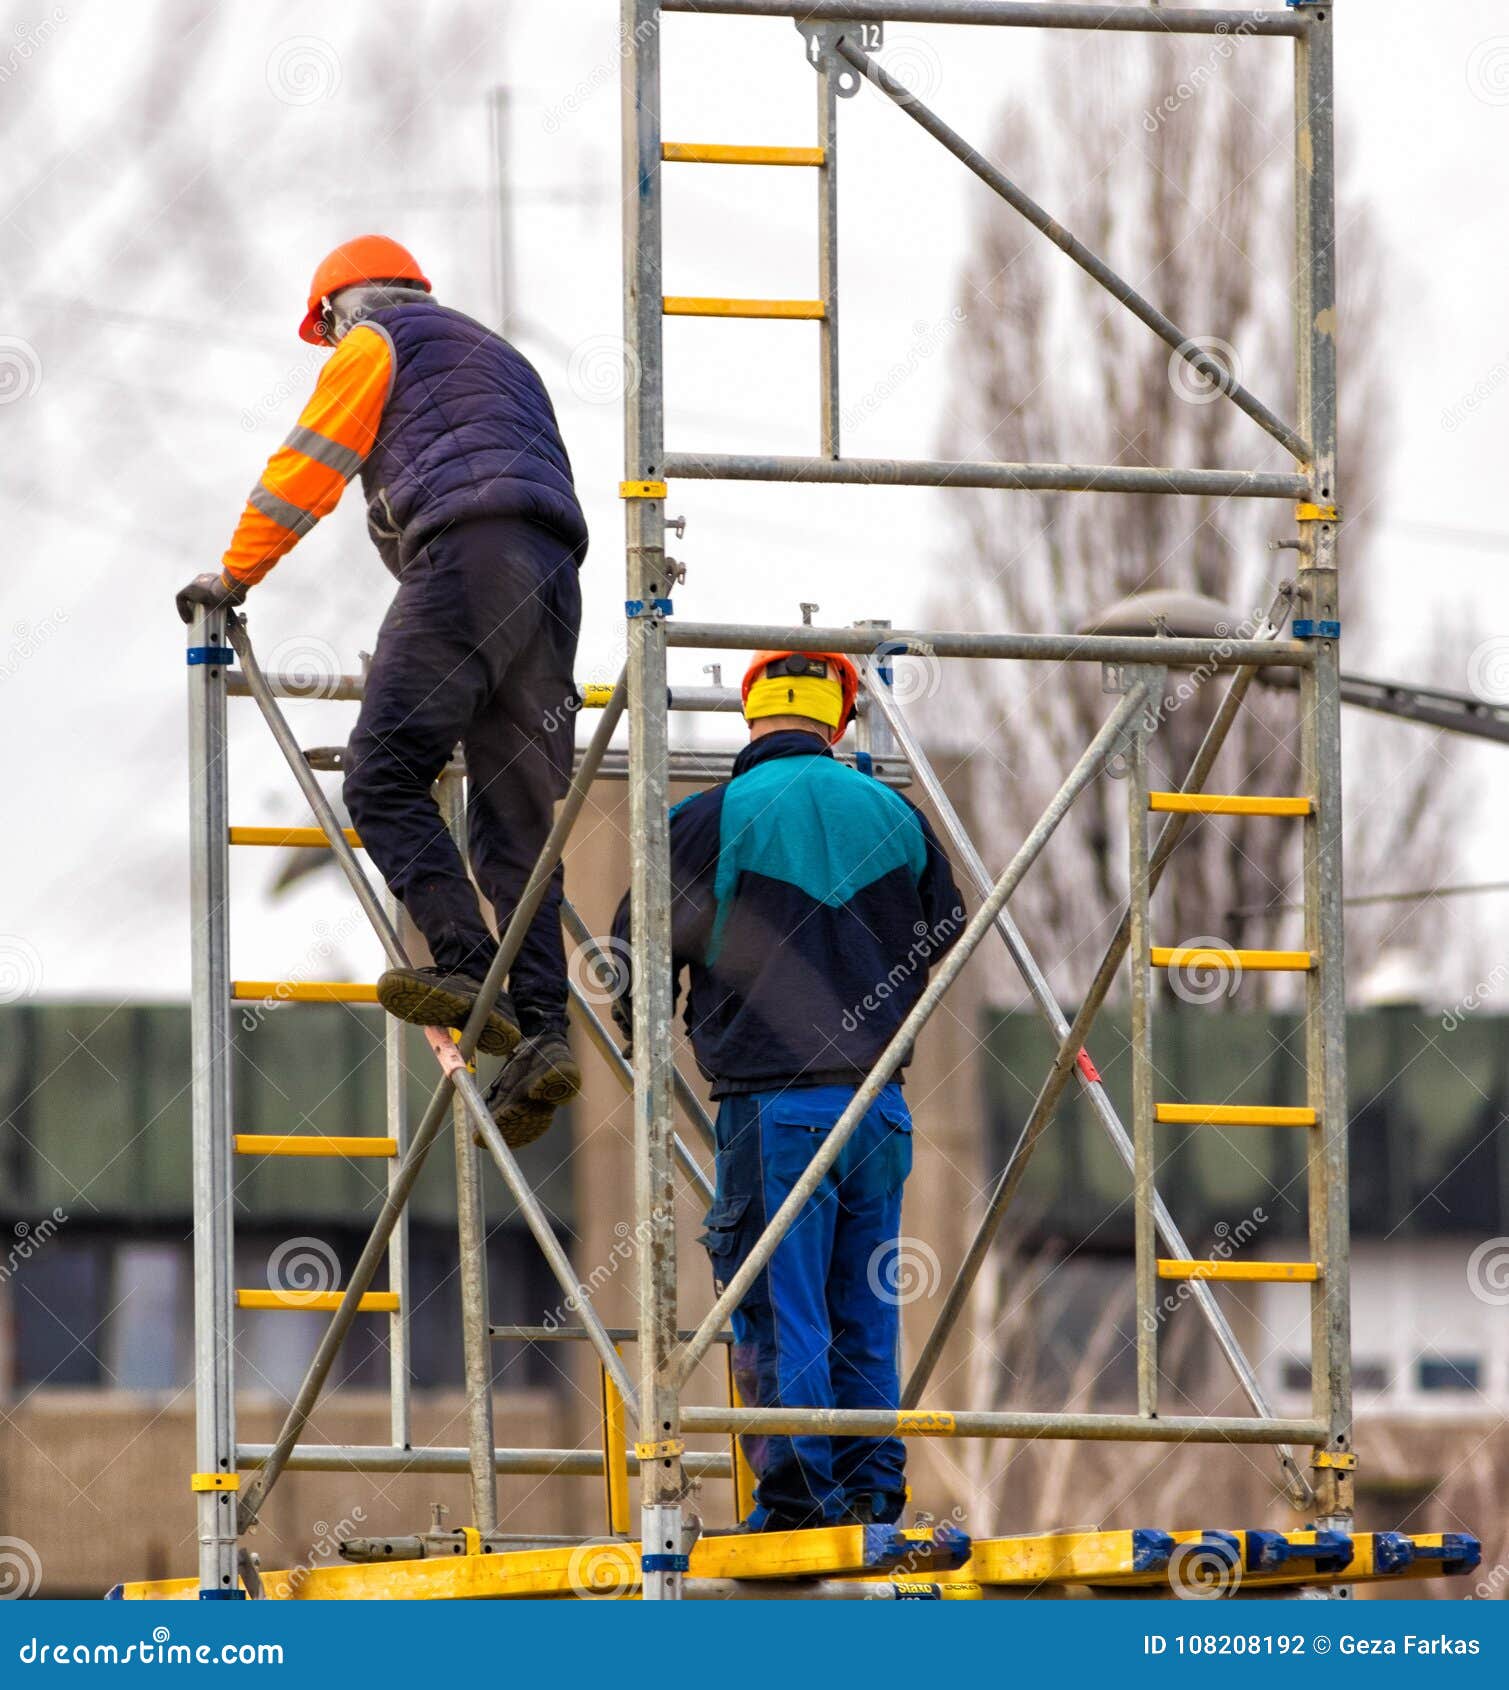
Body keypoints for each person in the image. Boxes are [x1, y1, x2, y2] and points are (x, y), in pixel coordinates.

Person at [176, 235, 587, 1146]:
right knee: (518, 822)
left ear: (336, 311)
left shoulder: (375, 344)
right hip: (554, 580)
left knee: (382, 775)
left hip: (468, 561)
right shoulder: (501, 355)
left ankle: (465, 964)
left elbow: (309, 469)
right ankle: (546, 1035)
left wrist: (234, 576)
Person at [610, 650, 966, 1530]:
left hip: (774, 1107)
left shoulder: (705, 819)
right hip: (877, 1106)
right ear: (840, 720)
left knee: (779, 1305)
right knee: (862, 1306)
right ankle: (874, 1489)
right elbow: (947, 929)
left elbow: (633, 954)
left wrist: (647, 1036)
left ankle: (802, 1501)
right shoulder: (897, 815)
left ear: (750, 715)